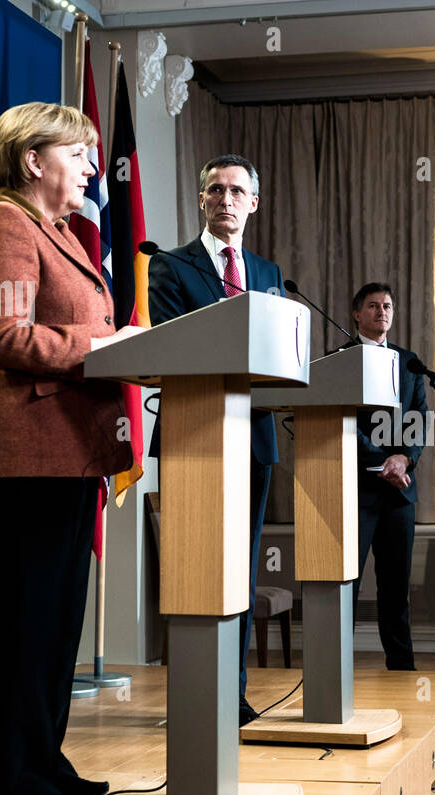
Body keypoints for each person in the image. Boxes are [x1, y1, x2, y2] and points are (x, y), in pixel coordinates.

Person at [0, 102, 142, 795]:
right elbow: (1, 334)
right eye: (79, 153)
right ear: (33, 159)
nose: (94, 166)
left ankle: (44, 767)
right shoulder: (0, 225)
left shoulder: (59, 232)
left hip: (69, 452)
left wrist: (115, 345)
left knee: (59, 620)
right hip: (24, 451)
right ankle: (12, 784)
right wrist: (106, 348)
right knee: (32, 619)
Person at [147, 154, 282, 725]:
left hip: (253, 437)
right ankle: (198, 696)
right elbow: (173, 349)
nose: (225, 199)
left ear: (253, 203)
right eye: (215, 190)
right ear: (202, 199)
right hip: (194, 435)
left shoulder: (270, 273)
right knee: (197, 568)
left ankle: (234, 692)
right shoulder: (169, 266)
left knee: (241, 573)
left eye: (236, 191)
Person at [345, 283, 428, 670]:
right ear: (357, 315)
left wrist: (404, 459)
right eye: (374, 306)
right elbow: (342, 421)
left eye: (388, 306)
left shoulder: (409, 361)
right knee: (347, 586)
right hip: (357, 490)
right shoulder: (338, 361)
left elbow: (420, 419)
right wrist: (384, 462)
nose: (382, 312)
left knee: (396, 587)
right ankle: (336, 668)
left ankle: (401, 665)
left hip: (400, 494)